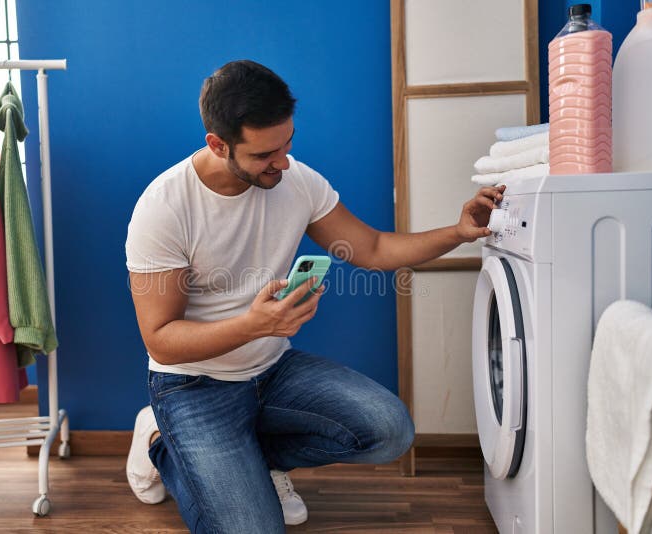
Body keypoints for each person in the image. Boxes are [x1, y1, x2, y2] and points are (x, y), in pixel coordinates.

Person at [125, 59, 503, 533]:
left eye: (287, 144)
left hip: (270, 370)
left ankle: (250, 461)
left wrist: (460, 231)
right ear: (218, 145)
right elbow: (160, 340)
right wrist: (255, 324)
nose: (282, 162)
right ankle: (161, 442)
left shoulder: (295, 180)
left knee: (390, 430)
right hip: (193, 386)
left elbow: (374, 248)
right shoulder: (163, 208)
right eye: (265, 154)